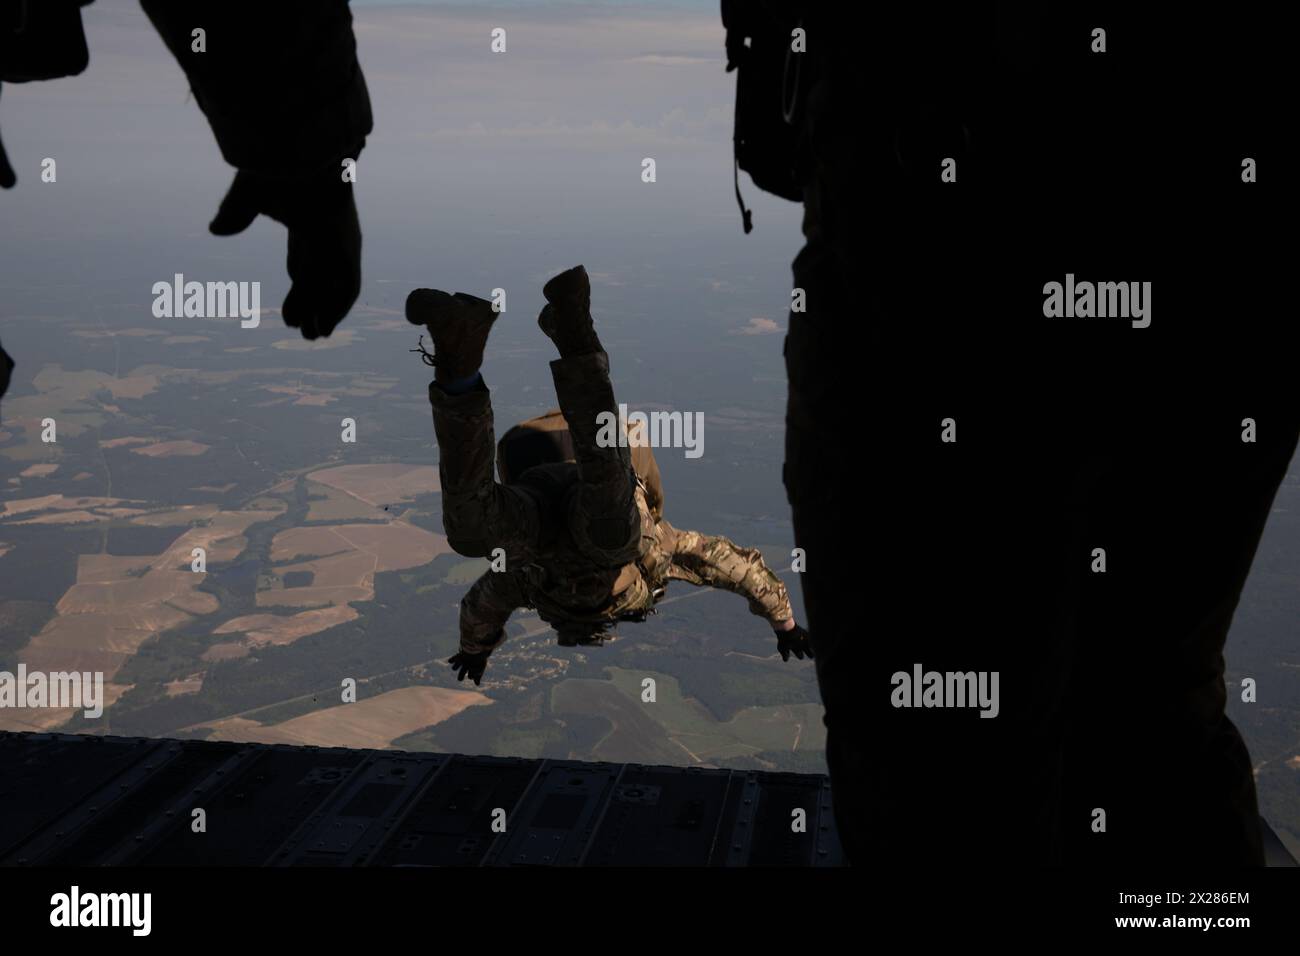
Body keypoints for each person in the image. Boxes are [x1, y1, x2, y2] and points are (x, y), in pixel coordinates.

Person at [406, 265, 811, 686]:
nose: (583, 591)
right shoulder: (655, 556)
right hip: (573, 482)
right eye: (604, 594)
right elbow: (734, 567)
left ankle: (461, 353)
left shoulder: (523, 580)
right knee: (608, 530)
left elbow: (481, 607)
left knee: (472, 530)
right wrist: (784, 624)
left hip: (539, 493)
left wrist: (476, 648)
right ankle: (572, 334)